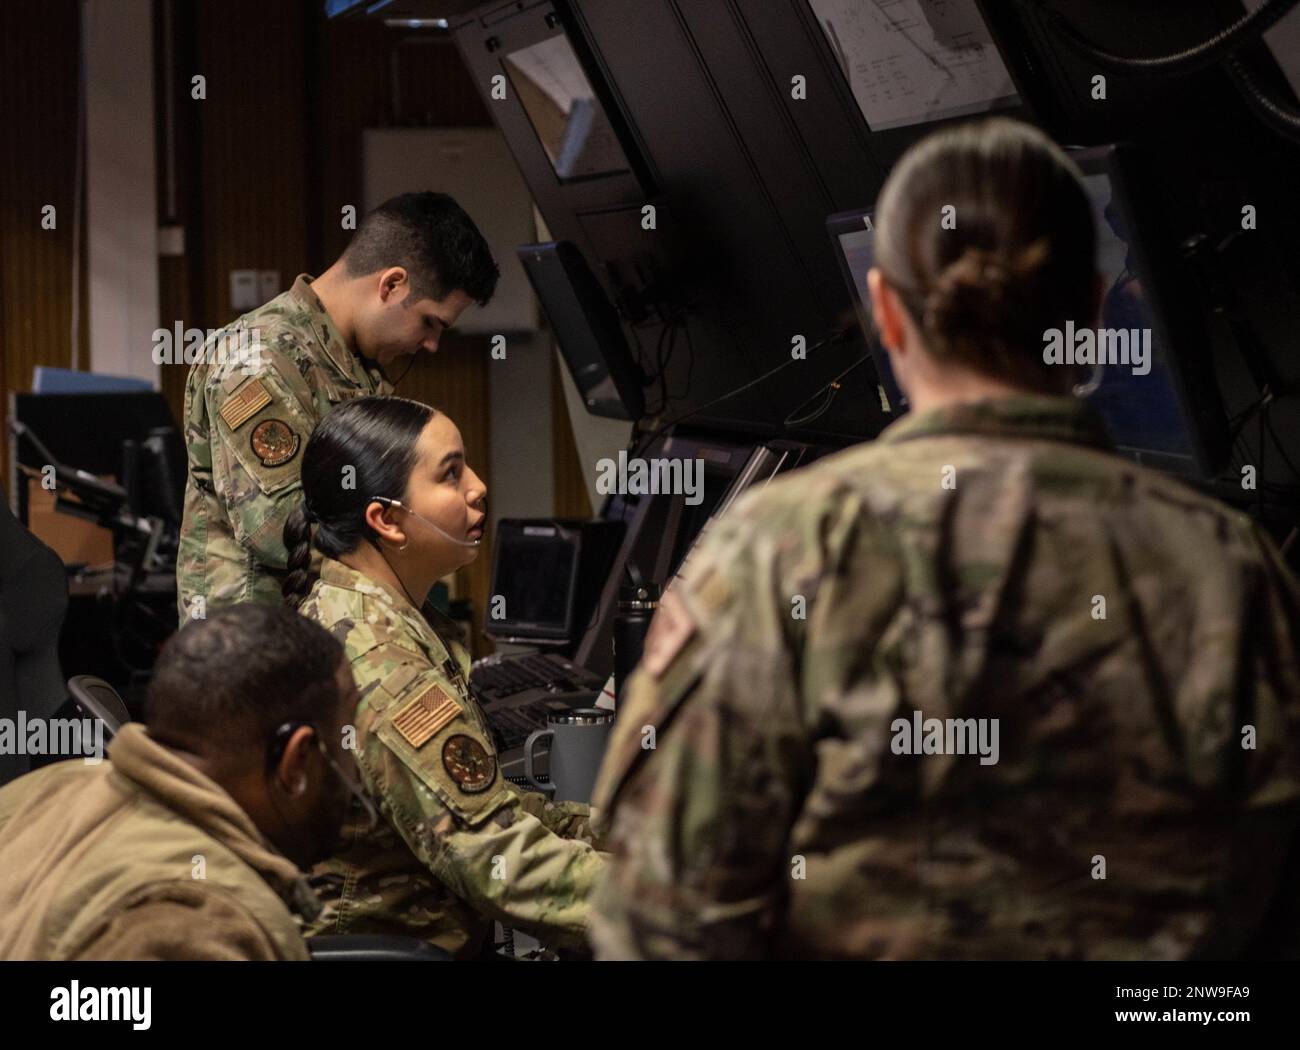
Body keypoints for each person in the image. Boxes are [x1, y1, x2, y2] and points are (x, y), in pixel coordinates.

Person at [588, 117, 1300, 960]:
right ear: (1095, 310)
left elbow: (655, 915)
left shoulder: (780, 548)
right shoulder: (1231, 563)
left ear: (885, 308)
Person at [282, 395, 606, 959]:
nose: (478, 487)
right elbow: (496, 857)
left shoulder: (378, 610)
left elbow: (489, 806)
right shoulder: (379, 661)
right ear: (386, 521)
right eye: (451, 474)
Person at [177, 192, 500, 618]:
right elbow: (280, 529)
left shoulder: (355, 363)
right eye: (429, 322)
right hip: (255, 646)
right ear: (391, 285)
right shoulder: (256, 361)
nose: (432, 345)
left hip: (325, 631)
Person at [0, 605, 364, 960]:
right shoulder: (203, 921)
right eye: (346, 738)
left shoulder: (43, 788)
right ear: (296, 762)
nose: (354, 773)